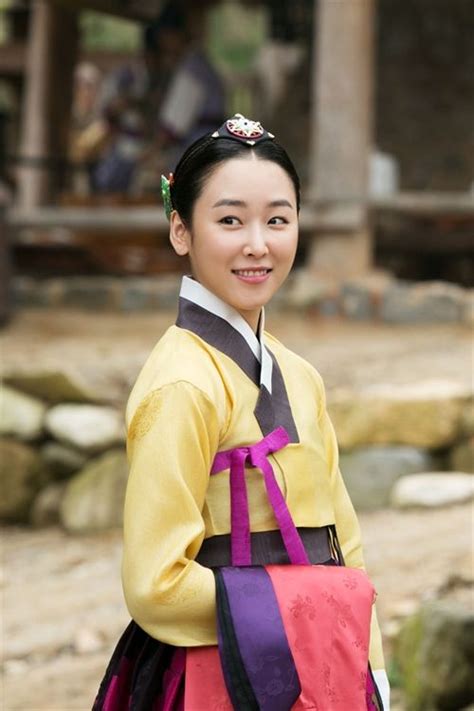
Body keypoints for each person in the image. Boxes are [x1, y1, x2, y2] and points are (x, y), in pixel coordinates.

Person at [93, 114, 390, 710]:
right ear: (181, 230)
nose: (258, 244)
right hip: (217, 670)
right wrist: (299, 608)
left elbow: (346, 546)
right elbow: (155, 584)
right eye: (230, 220)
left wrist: (372, 666)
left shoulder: (299, 375)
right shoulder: (181, 384)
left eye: (278, 220)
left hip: (325, 663)